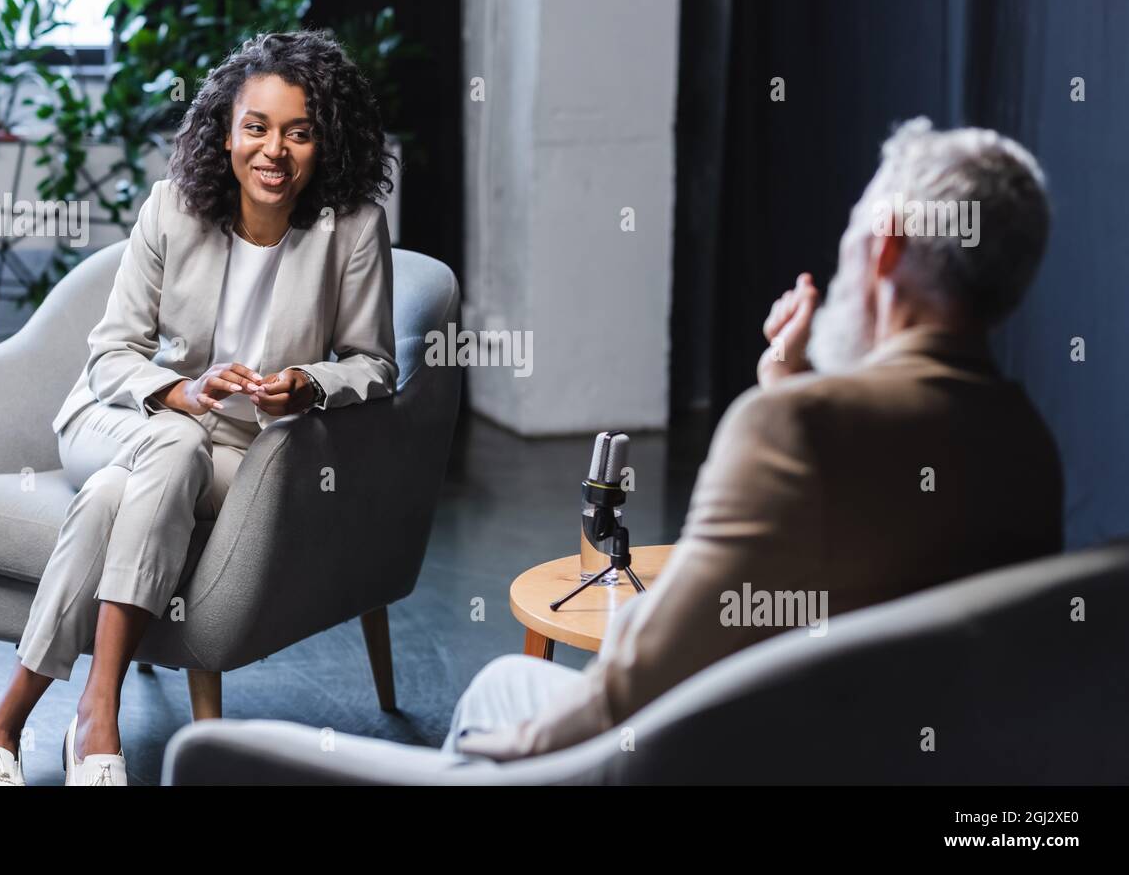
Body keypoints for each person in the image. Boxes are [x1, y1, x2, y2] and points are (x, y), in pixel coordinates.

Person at [447, 117, 1064, 761]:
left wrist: (502, 753)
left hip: (749, 760)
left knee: (498, 689)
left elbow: (629, 684)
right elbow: (865, 545)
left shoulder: (793, 430)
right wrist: (793, 388)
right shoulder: (1029, 449)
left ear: (885, 247)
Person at [0, 30, 398, 785]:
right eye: (256, 127)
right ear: (226, 131)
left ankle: (7, 718)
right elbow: (109, 353)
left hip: (237, 454)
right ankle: (97, 712)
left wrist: (309, 381)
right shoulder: (172, 207)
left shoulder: (352, 228)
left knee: (110, 500)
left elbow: (375, 363)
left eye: (299, 132)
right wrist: (179, 393)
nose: (274, 151)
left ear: (325, 141)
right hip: (114, 419)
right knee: (167, 446)